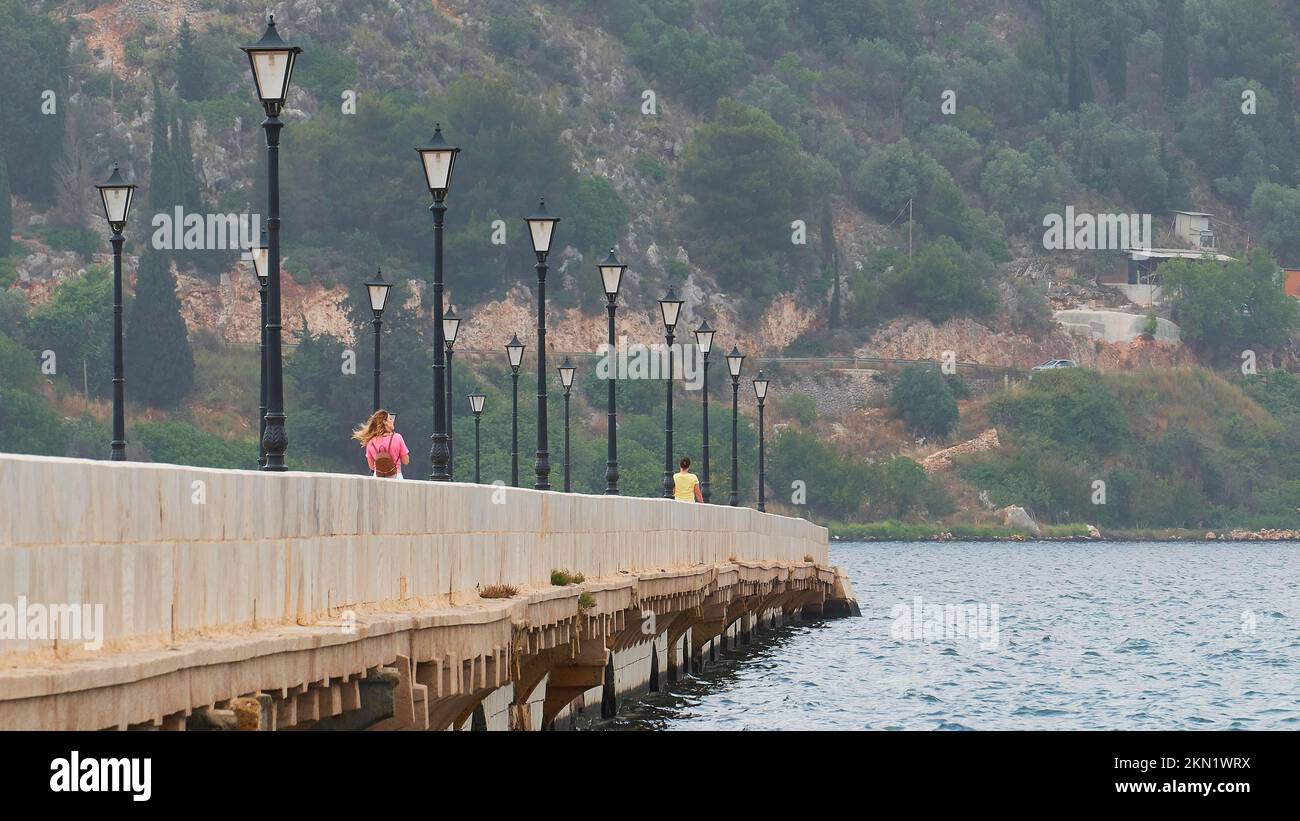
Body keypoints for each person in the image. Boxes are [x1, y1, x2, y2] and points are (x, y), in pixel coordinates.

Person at [352, 409, 410, 479]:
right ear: (384, 422)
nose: (392, 421)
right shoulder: (397, 437)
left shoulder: (371, 442)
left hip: (378, 478)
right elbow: (406, 461)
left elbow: (371, 466)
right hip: (396, 477)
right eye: (390, 419)